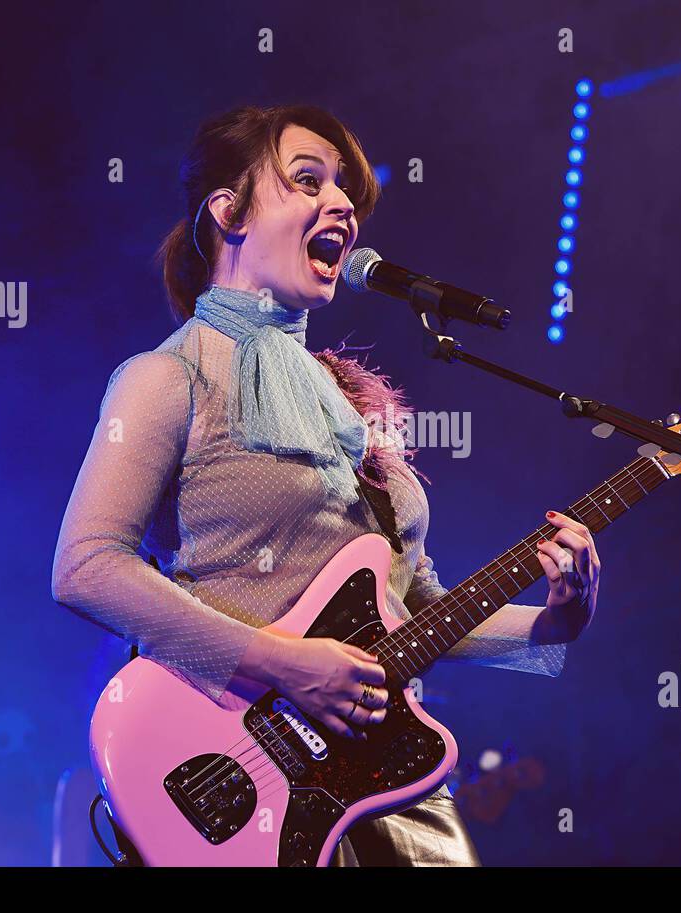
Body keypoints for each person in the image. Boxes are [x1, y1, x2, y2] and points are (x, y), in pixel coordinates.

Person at [51, 104, 601, 866]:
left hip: (390, 784)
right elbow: (86, 567)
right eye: (308, 181)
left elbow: (414, 612)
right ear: (229, 212)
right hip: (246, 780)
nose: (342, 203)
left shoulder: (357, 409)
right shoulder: (168, 378)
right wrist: (281, 663)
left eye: (345, 189)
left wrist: (555, 622)